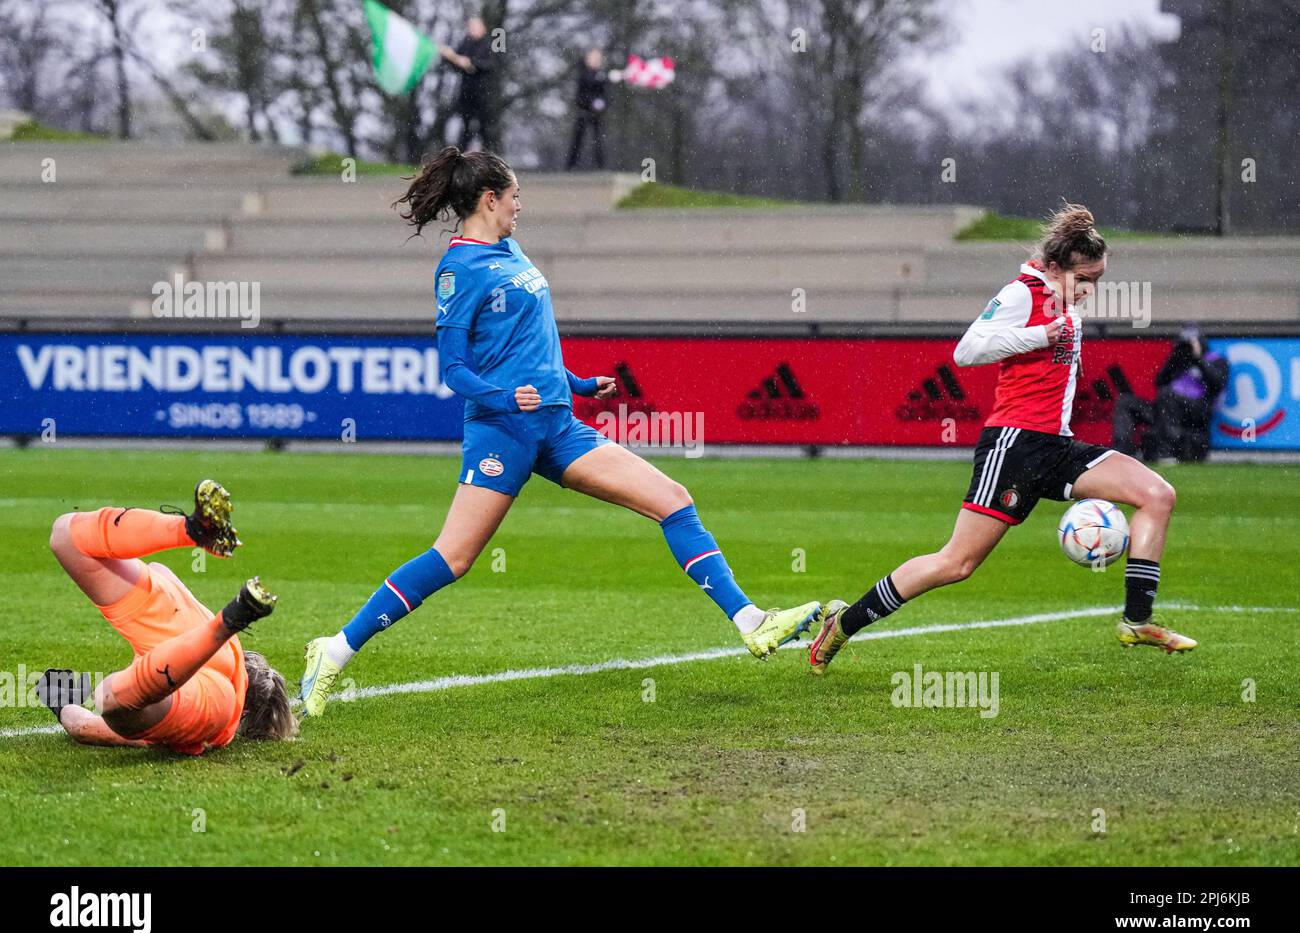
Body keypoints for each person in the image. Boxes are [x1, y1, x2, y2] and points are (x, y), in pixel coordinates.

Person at [296, 146, 822, 717]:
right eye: (515, 196)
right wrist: (503, 397)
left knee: (672, 500)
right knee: (453, 558)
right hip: (503, 432)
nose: (521, 206)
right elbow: (452, 369)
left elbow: (527, 343)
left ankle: (752, 622)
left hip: (558, 424)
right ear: (489, 199)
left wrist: (576, 382)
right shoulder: (458, 269)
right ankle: (335, 649)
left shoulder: (510, 250)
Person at [809, 204, 1197, 675]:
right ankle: (844, 623)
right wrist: (1037, 335)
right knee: (956, 563)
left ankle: (1137, 620)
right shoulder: (1022, 293)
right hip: (1014, 446)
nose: (1090, 291)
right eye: (1084, 280)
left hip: (1057, 446)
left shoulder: (1064, 303)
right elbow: (967, 349)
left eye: (1096, 281)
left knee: (1158, 494)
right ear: (1055, 268)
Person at [41, 480, 297, 754]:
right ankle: (227, 622)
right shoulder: (229, 715)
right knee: (109, 698)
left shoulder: (231, 651)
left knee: (66, 537)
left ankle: (190, 530)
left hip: (184, 621)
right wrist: (62, 700)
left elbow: (159, 569)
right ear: (249, 713)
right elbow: (85, 728)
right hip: (213, 693)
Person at [1112, 325, 1228, 463]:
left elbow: (1217, 385)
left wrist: (1198, 359)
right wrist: (1174, 359)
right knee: (1126, 401)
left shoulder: (1216, 360)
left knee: (1167, 395)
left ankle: (1165, 451)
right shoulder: (1178, 360)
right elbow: (1159, 383)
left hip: (1195, 410)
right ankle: (1122, 451)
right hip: (1165, 409)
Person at [440, 17, 496, 151]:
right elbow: (456, 64)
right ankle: (461, 156)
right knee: (465, 124)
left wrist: (472, 63)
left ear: (483, 29)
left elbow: (490, 66)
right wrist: (447, 56)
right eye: (470, 27)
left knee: (484, 126)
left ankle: (489, 154)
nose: (472, 30)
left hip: (483, 92)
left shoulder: (489, 45)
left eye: (475, 27)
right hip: (466, 92)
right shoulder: (465, 44)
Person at [566, 48, 613, 170]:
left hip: (597, 115)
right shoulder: (582, 75)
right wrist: (591, 102)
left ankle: (600, 166)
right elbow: (579, 97)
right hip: (584, 113)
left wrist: (601, 103)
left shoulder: (602, 76)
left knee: (599, 141)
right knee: (577, 140)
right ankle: (571, 166)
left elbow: (606, 96)